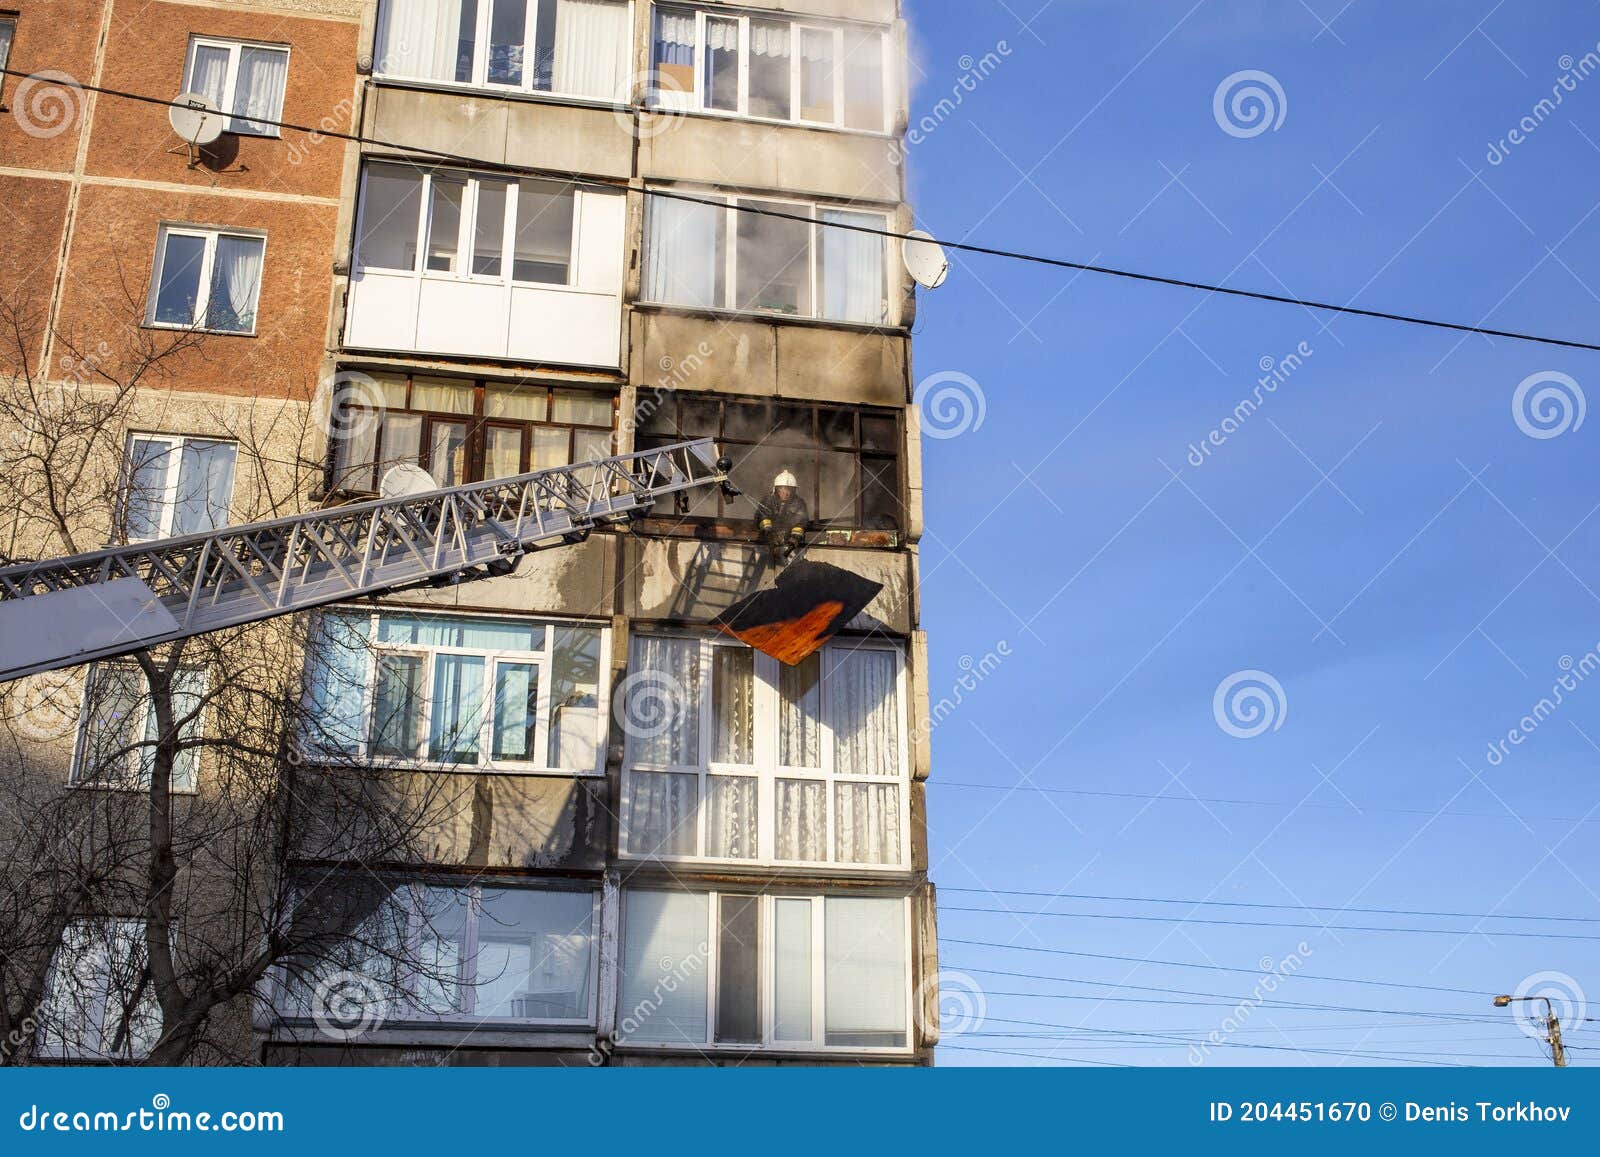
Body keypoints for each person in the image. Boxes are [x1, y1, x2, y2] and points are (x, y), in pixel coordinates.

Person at [757, 470, 808, 562]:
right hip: (766, 543)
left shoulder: (799, 503)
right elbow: (762, 518)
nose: (786, 493)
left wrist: (795, 538)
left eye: (789, 489)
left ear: (794, 490)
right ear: (776, 489)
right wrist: (769, 534)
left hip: (789, 543)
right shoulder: (768, 501)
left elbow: (801, 522)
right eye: (782, 489)